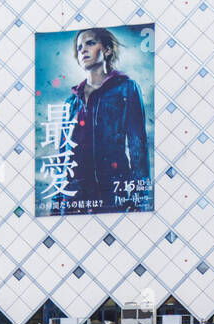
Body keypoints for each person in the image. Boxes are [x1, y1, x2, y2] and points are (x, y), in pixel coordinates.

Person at [46, 27, 151, 216]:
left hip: (112, 193)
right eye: (79, 48)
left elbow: (138, 147)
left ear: (108, 50)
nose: (83, 50)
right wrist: (56, 203)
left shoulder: (126, 89)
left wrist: (140, 197)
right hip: (73, 198)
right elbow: (63, 157)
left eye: (90, 43)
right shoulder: (71, 101)